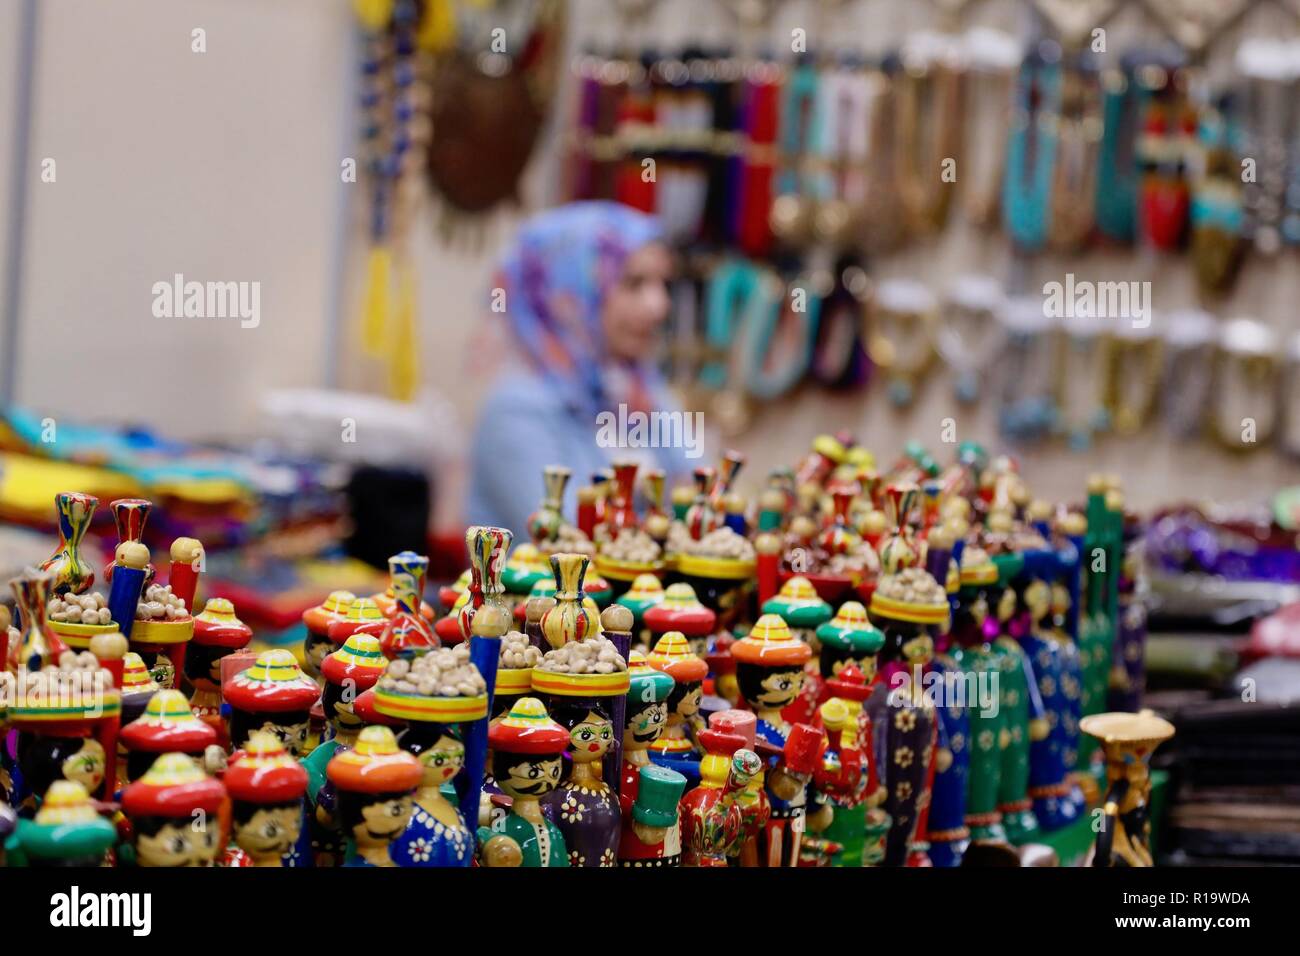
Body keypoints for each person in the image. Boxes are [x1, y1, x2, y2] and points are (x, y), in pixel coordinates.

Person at [466, 201, 699, 538]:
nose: (659, 306)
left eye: (663, 284)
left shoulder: (642, 393)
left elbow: (700, 495)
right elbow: (569, 540)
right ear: (569, 290)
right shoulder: (518, 409)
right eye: (633, 284)